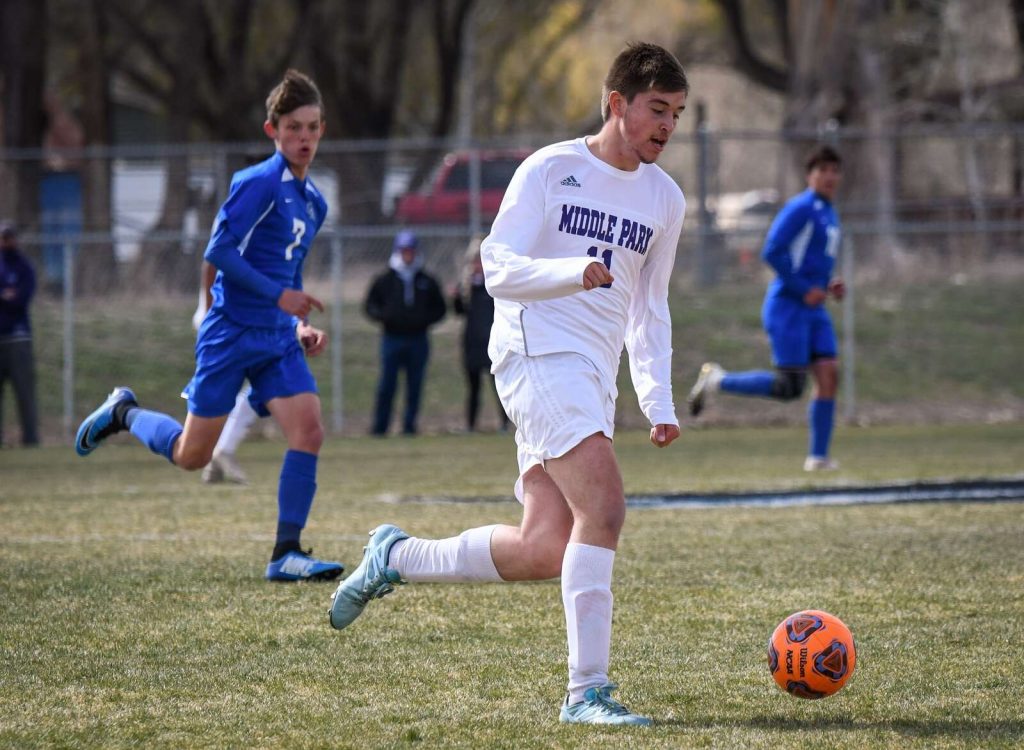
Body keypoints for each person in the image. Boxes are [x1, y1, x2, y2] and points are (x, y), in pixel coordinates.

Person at [330, 42, 688, 726]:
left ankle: (395, 556)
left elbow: (651, 306)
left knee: (547, 546)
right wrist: (569, 272)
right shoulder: (551, 170)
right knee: (605, 509)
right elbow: (496, 268)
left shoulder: (664, 198)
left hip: (590, 372)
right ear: (616, 104)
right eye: (656, 109)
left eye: (677, 113)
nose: (667, 126)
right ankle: (587, 693)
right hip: (534, 351)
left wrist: (658, 399)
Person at [75, 70, 344, 582]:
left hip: (275, 339)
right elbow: (217, 252)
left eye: (311, 127)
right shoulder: (257, 183)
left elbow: (291, 274)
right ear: (273, 131)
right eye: (292, 128)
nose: (303, 138)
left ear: (323, 129)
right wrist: (278, 296)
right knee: (192, 456)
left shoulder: (314, 202)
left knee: (308, 432)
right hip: (231, 333)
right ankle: (124, 412)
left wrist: (299, 325)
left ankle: (286, 553)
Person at [687, 145, 845, 472]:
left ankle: (818, 457)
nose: (829, 176)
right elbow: (772, 251)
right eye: (822, 170)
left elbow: (811, 260)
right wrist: (804, 289)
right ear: (809, 174)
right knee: (790, 387)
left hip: (814, 310)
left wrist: (829, 285)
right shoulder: (800, 208)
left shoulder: (829, 211)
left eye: (834, 170)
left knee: (829, 375)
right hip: (788, 306)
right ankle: (718, 380)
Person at [363, 230, 446, 436]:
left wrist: (423, 320)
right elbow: (370, 305)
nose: (407, 255)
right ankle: (380, 428)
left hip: (418, 339)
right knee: (387, 385)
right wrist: (385, 317)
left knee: (414, 385)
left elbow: (440, 308)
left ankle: (409, 427)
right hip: (392, 339)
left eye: (411, 251)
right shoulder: (385, 279)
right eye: (404, 251)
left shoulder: (426, 280)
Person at [192, 260, 258, 484]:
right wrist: (208, 310)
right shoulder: (241, 224)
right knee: (262, 385)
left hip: (246, 317)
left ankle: (217, 456)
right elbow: (213, 257)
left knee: (265, 384)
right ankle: (220, 451)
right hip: (226, 319)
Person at [451, 236, 509, 432]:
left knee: (498, 386)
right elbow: (459, 312)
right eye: (475, 261)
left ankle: (504, 424)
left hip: (492, 341)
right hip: (472, 342)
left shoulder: (495, 284)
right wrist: (456, 297)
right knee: (473, 387)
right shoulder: (467, 287)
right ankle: (470, 425)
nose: (478, 265)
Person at [0, 223, 40, 447]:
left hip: (19, 339)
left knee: (25, 392)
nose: (6, 242)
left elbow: (21, 299)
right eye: (3, 238)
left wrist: (8, 297)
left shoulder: (24, 267)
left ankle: (31, 440)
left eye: (9, 237)